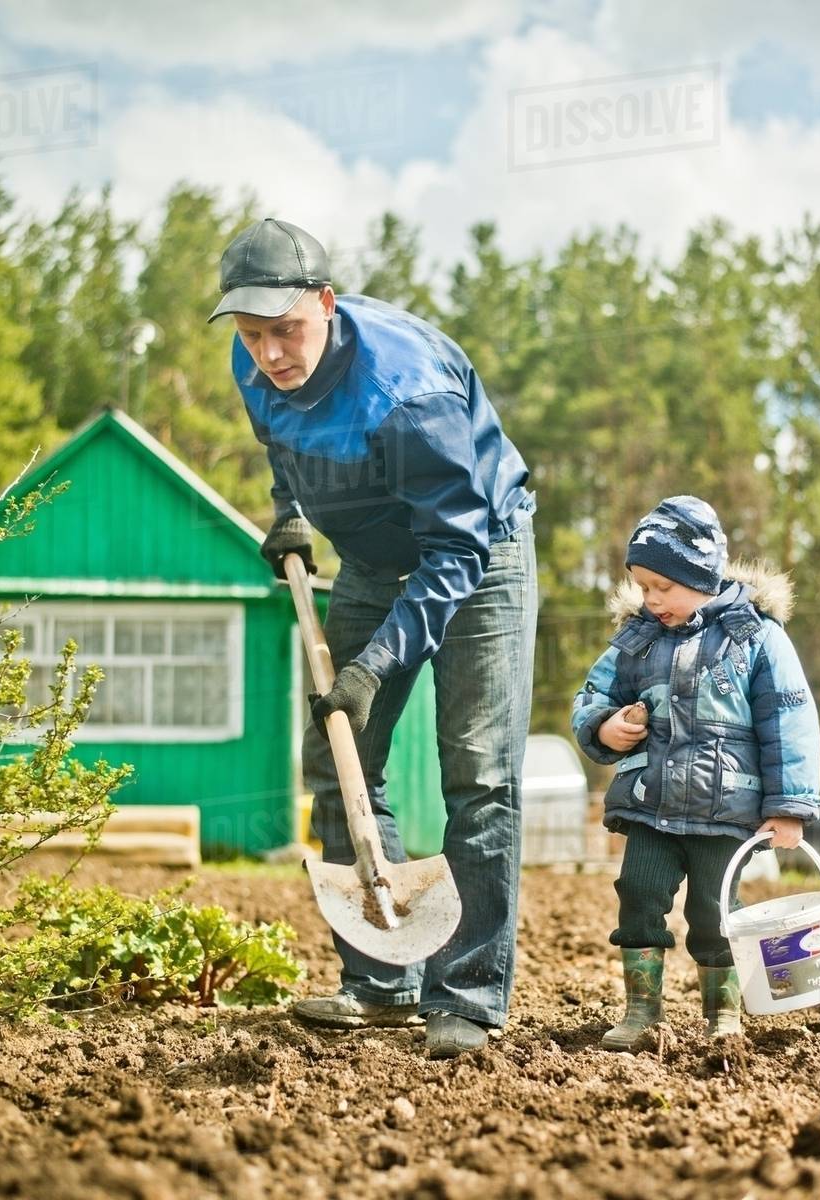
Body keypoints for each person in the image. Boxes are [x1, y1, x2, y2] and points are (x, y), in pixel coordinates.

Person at [209, 218, 537, 1059]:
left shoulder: (407, 390)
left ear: (326, 302)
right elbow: (280, 444)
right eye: (253, 335)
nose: (271, 353)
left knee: (478, 770)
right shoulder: (252, 363)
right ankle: (382, 977)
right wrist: (289, 511)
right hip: (367, 555)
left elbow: (455, 547)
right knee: (339, 754)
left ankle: (466, 993)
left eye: (287, 330)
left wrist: (377, 664)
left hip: (475, 552)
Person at [570, 495, 820, 1048]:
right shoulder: (636, 639)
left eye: (664, 587)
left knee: (714, 914)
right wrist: (606, 726)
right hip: (650, 805)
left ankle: (722, 1014)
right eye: (642, 586)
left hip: (726, 810)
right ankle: (641, 1010)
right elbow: (591, 696)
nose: (651, 599)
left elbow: (790, 719)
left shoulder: (754, 636)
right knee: (637, 895)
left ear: (703, 574)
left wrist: (788, 807)